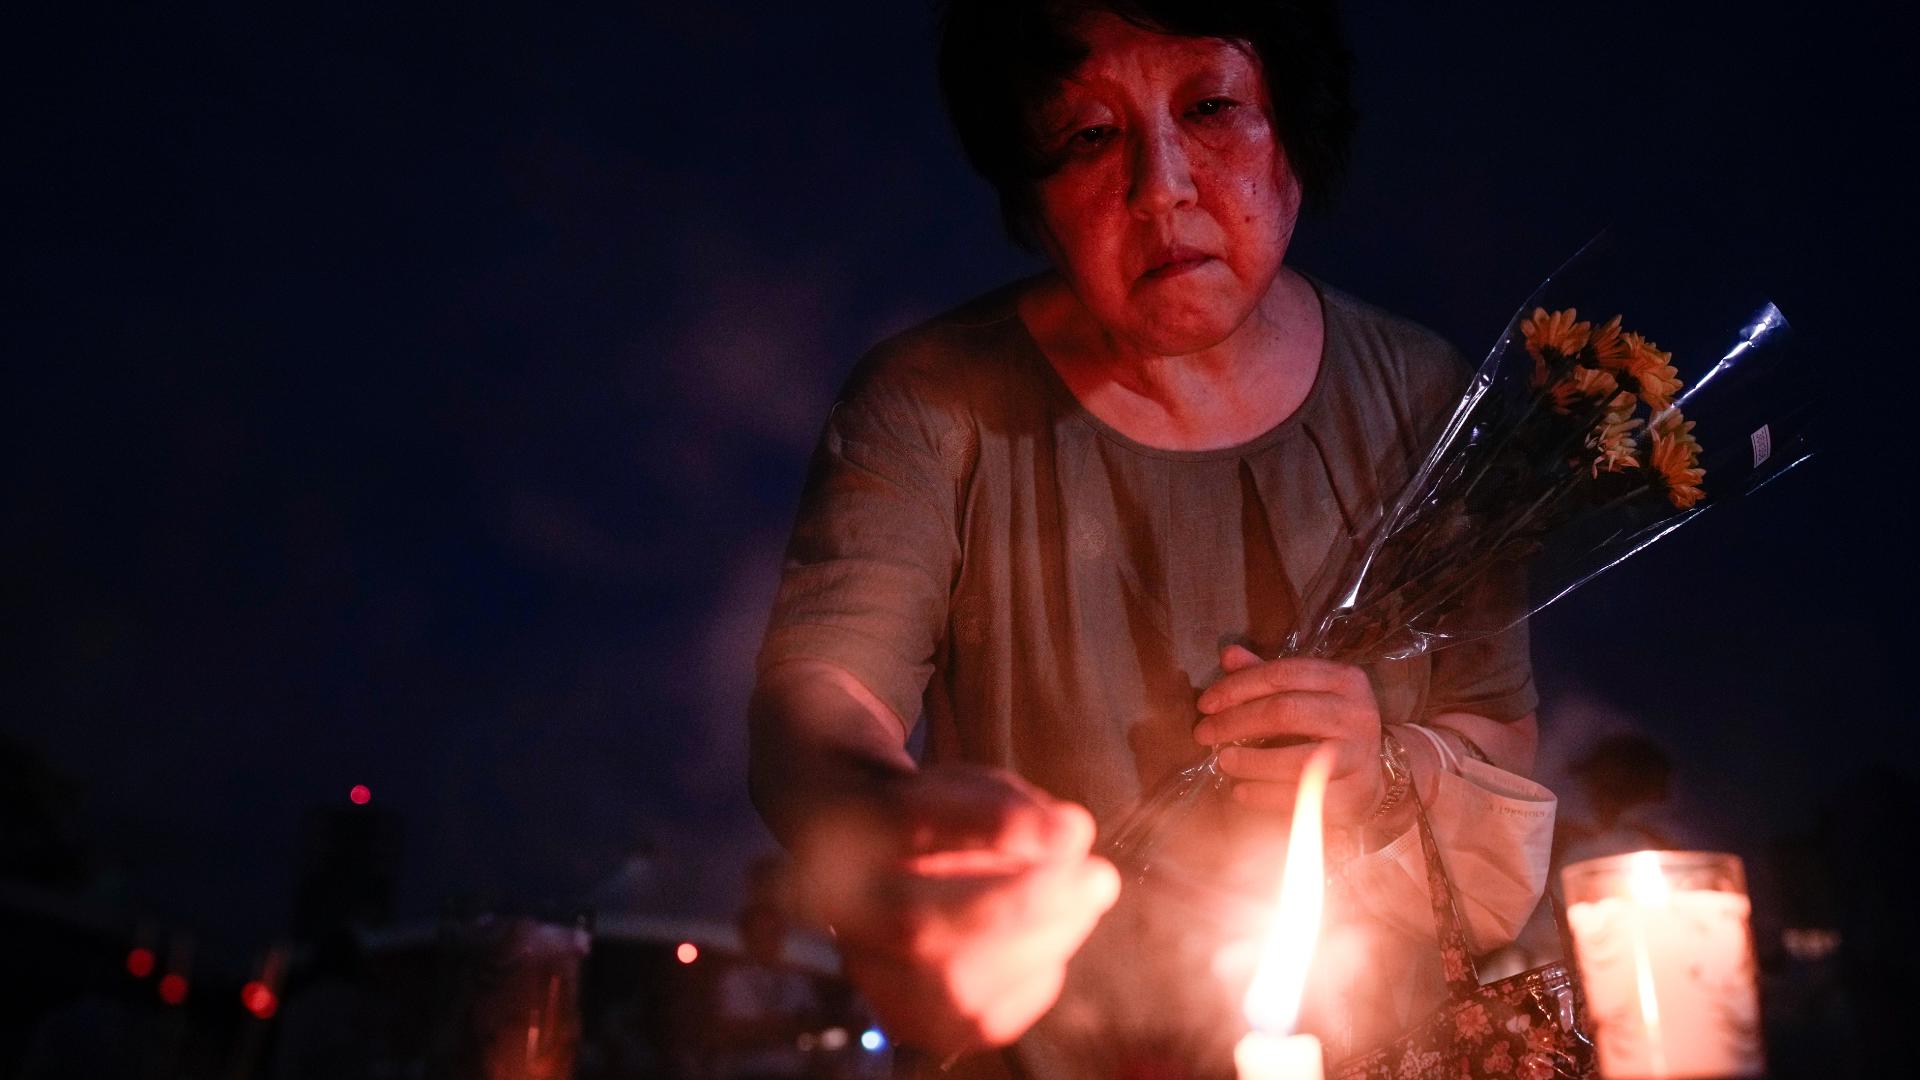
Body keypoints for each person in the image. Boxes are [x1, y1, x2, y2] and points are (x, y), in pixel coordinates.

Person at [748, 3, 1555, 1076]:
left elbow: (1496, 723)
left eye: (1212, 107)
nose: (1162, 185)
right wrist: (900, 833)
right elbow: (816, 708)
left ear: (1294, 141)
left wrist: (1382, 770)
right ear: (1032, 198)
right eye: (1090, 137)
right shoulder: (933, 405)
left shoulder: (1423, 399)